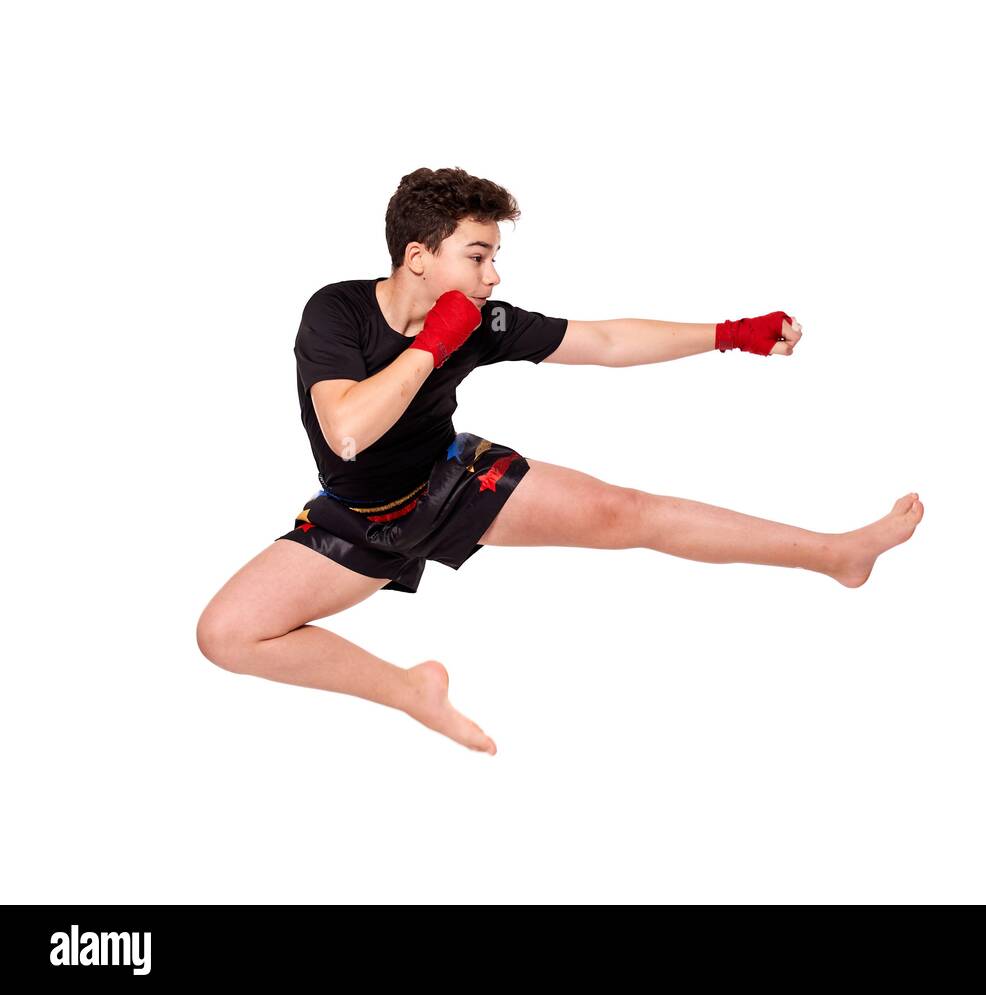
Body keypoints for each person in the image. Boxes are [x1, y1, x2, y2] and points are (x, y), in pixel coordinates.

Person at [196, 166, 925, 756]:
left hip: (451, 482)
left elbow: (604, 342)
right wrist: (432, 346)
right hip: (361, 517)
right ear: (419, 256)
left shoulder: (477, 321)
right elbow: (347, 431)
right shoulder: (337, 312)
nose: (492, 277)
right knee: (225, 634)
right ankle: (409, 690)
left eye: (494, 258)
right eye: (477, 256)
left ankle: (835, 553)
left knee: (628, 512)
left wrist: (729, 333)